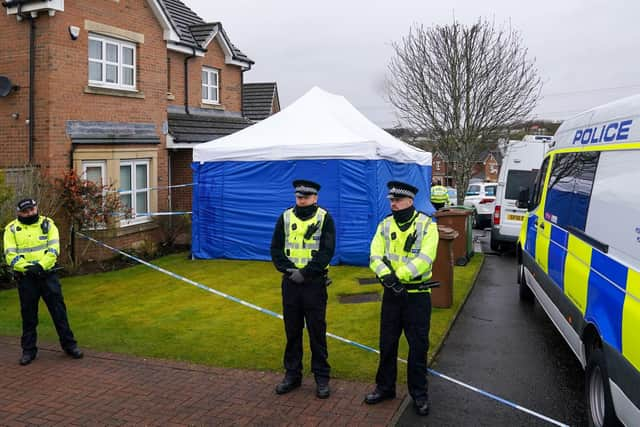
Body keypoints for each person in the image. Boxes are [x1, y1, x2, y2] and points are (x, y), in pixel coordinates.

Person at [365, 181, 439, 416]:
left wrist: (398, 276)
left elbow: (426, 258)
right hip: (392, 296)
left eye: (397, 200)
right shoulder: (385, 225)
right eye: (391, 200)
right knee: (387, 344)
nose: (393, 204)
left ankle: (419, 394)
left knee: (418, 347)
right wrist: (388, 277)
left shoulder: (427, 225)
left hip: (417, 296)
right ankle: (385, 388)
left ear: (410, 201)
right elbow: (374, 254)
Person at [270, 180, 336, 399]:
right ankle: (292, 375)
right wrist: (289, 271)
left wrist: (305, 273)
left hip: (314, 284)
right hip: (291, 284)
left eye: (306, 197)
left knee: (317, 332)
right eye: (299, 196)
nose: (302, 200)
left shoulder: (324, 218)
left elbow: (327, 251)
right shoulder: (286, 217)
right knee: (292, 331)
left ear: (315, 198)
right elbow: (276, 249)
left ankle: (322, 377)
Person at [3, 198, 83, 366]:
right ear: (19, 212)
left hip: (48, 276)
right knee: (29, 316)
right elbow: (10, 254)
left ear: (36, 208)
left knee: (59, 312)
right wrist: (27, 268)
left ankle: (70, 345)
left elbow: (54, 250)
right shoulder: (11, 229)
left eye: (32, 210)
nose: (29, 213)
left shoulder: (48, 224)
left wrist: (40, 266)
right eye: (25, 211)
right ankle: (28, 351)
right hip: (26, 279)